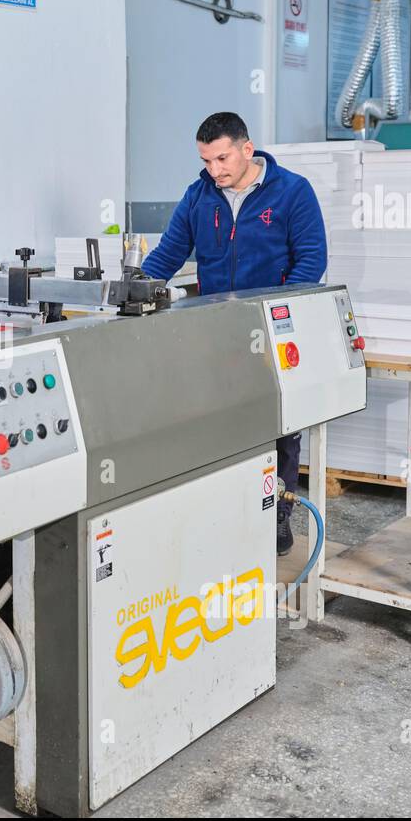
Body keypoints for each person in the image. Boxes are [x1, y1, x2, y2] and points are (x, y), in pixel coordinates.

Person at [141, 112, 328, 555]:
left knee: (278, 425)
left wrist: (273, 315)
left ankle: (276, 514)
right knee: (221, 420)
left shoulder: (292, 192)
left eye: (222, 158)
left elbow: (310, 263)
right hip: (218, 330)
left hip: (272, 329)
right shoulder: (200, 195)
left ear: (247, 149)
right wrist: (137, 287)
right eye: (206, 161)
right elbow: (170, 252)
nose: (214, 170)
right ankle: (224, 511)